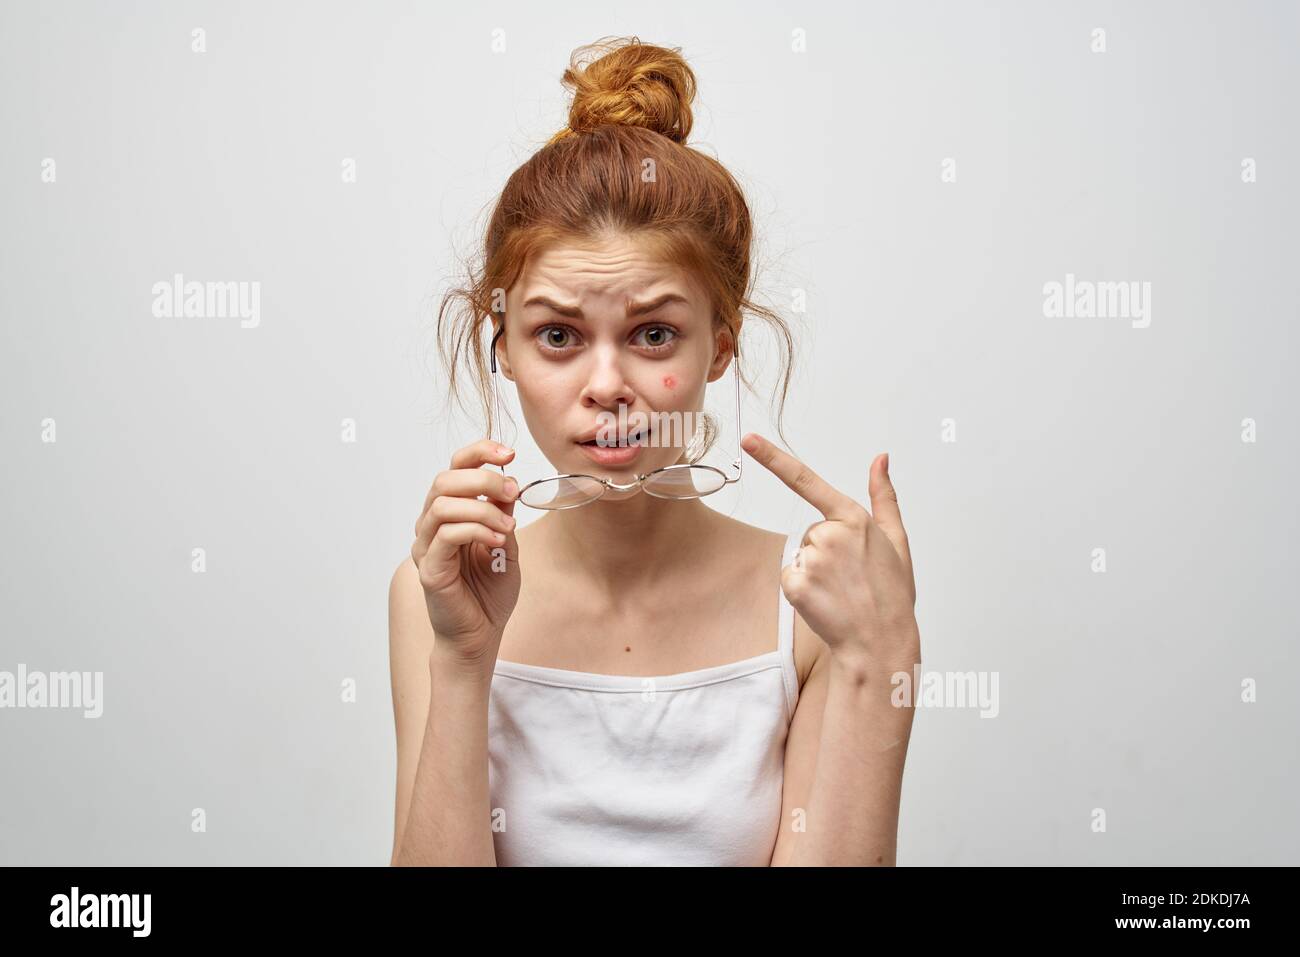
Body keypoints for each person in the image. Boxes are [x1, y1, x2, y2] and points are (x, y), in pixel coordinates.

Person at [389, 36, 920, 866]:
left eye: (654, 333)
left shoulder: (813, 612)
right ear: (504, 348)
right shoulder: (442, 588)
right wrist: (463, 660)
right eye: (558, 334)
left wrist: (883, 660)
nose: (607, 384)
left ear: (718, 347)